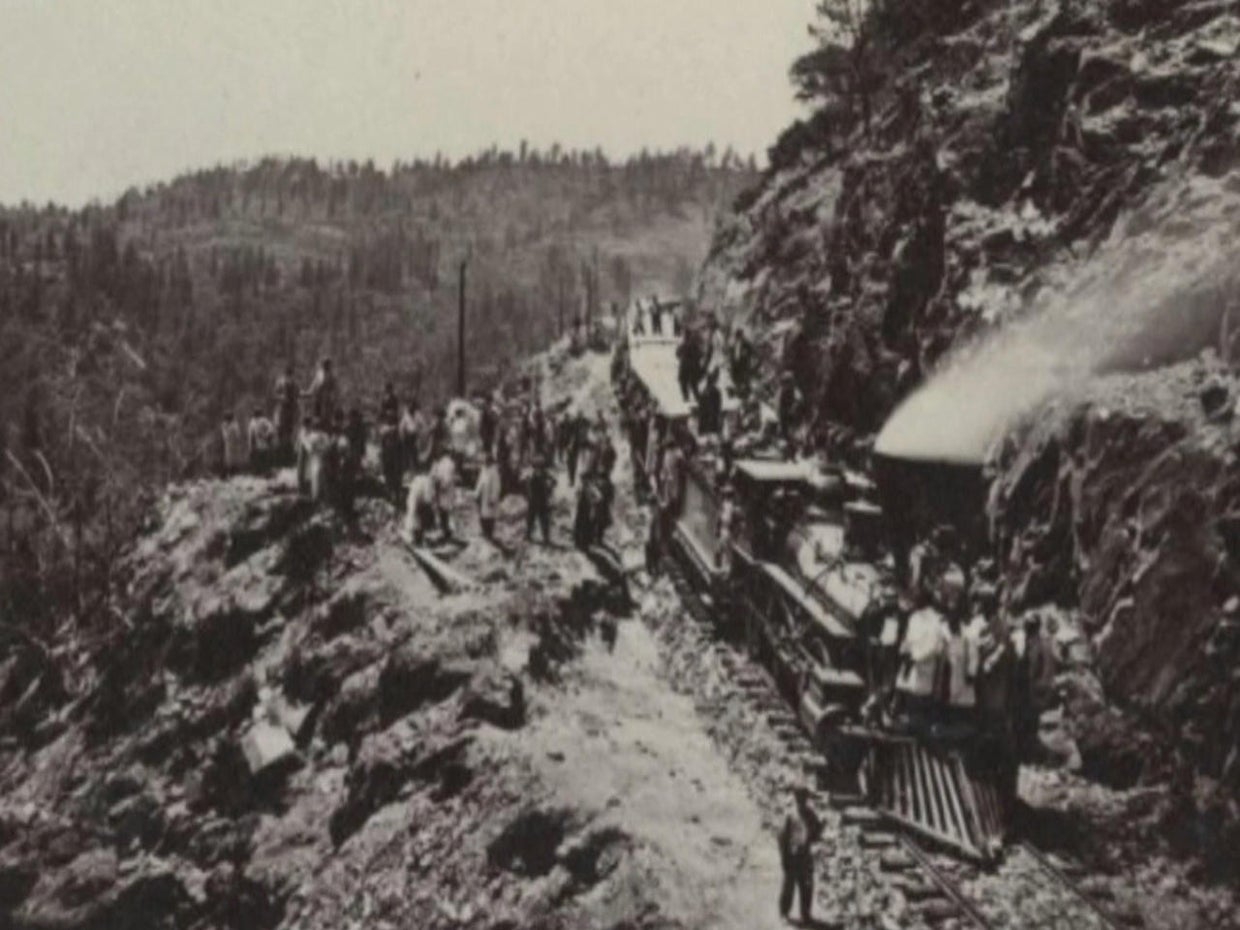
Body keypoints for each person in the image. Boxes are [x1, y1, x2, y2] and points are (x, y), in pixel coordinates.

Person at [777, 784, 823, 925]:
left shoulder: (810, 814)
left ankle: (806, 914)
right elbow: (782, 838)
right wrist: (784, 857)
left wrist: (820, 829)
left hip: (805, 854)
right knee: (789, 885)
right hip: (792, 854)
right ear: (796, 799)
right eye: (799, 798)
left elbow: (816, 833)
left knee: (806, 886)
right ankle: (784, 913)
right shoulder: (790, 815)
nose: (801, 802)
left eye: (803, 798)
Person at [474, 448, 503, 541]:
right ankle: (484, 532)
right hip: (483, 496)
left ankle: (489, 533)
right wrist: (476, 493)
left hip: (489, 497)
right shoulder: (483, 470)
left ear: (490, 461)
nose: (485, 462)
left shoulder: (494, 471)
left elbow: (496, 487)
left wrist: (493, 498)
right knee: (482, 515)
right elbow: (479, 482)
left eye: (486, 460)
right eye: (484, 461)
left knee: (490, 516)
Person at [273, 365, 300, 464]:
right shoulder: (280, 382)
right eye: (288, 375)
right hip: (282, 410)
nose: (290, 377)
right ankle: (280, 458)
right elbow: (275, 395)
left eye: (291, 375)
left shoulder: (295, 383)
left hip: (291, 410)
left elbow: (298, 394)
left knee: (290, 433)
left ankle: (289, 458)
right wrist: (282, 397)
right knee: (280, 433)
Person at [403, 469, 437, 546]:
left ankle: (419, 539)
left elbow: (413, 506)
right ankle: (419, 539)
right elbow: (429, 497)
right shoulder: (425, 480)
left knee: (418, 522)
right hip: (421, 504)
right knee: (419, 522)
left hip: (420, 505)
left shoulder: (419, 482)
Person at [526, 453, 554, 544]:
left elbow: (553, 482)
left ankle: (546, 537)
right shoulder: (532, 475)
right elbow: (528, 486)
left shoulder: (545, 475)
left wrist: (549, 487)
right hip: (534, 500)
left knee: (543, 520)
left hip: (542, 500)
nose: (538, 469)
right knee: (531, 518)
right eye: (536, 467)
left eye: (540, 467)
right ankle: (528, 534)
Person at [431, 450, 457, 540]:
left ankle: (446, 531)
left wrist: (440, 484)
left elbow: (447, 479)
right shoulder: (440, 463)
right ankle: (445, 530)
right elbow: (435, 475)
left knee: (445, 511)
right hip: (442, 491)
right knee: (443, 511)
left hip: (445, 491)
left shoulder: (447, 464)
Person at [304, 358, 339, 424]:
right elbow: (314, 384)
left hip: (327, 399)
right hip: (319, 398)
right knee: (317, 414)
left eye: (327, 364)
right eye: (325, 364)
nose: (326, 366)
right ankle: (317, 421)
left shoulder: (332, 375)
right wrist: (309, 392)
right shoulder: (319, 374)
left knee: (326, 415)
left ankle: (326, 422)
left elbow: (335, 388)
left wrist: (334, 397)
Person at [246, 407, 275, 474]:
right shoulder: (253, 422)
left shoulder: (263, 420)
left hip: (262, 443)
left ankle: (264, 471)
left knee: (263, 456)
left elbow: (271, 429)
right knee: (257, 457)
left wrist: (266, 435)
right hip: (256, 443)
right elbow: (250, 434)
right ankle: (259, 471)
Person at [676, 326, 701, 401]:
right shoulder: (694, 344)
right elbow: (700, 354)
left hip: (685, 366)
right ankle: (696, 397)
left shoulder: (683, 344)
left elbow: (677, 354)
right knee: (693, 383)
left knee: (684, 382)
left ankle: (686, 397)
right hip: (692, 366)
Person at [777, 371, 802, 442]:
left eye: (787, 382)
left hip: (791, 417)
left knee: (789, 432)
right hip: (782, 414)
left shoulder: (795, 392)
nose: (785, 385)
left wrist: (792, 409)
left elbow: (798, 401)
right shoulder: (781, 391)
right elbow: (778, 402)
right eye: (784, 382)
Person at [697, 370, 723, 435]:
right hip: (711, 419)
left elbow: (701, 406)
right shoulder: (714, 391)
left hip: (706, 419)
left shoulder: (704, 391)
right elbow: (718, 407)